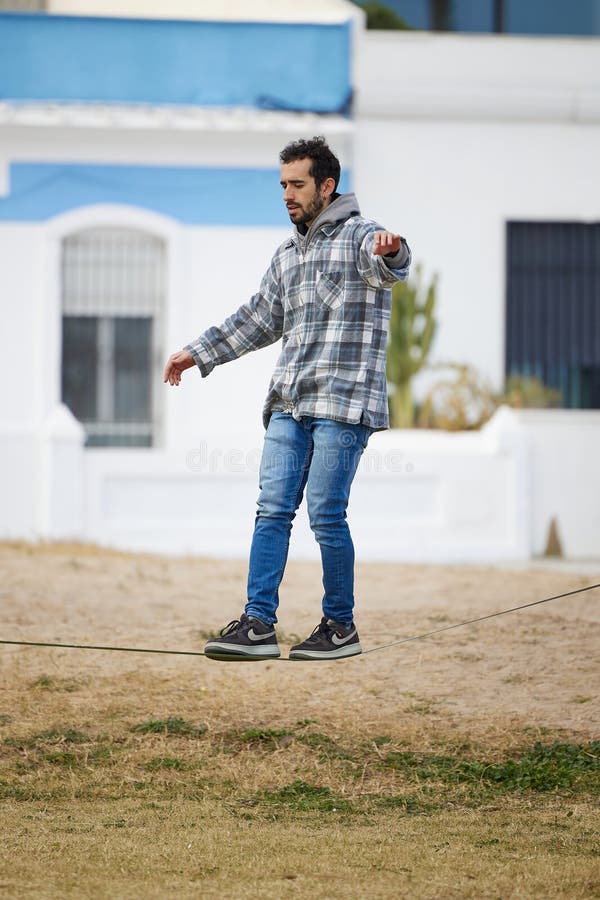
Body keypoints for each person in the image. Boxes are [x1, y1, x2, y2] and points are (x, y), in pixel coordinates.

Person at [164, 136, 411, 662]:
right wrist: (197, 353)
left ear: (327, 186)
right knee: (271, 510)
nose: (287, 194)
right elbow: (258, 319)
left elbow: (391, 262)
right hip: (288, 404)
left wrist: (395, 251)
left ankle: (340, 627)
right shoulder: (287, 254)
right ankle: (257, 625)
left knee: (325, 514)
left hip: (343, 405)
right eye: (282, 184)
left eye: (297, 184)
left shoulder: (361, 236)